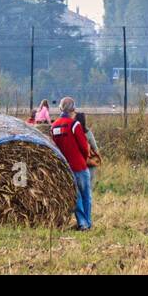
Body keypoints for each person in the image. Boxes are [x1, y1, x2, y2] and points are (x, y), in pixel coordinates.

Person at [49, 96, 92, 230]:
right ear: (73, 109)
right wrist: (84, 158)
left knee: (76, 197)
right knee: (86, 196)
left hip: (65, 168)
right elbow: (84, 147)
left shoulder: (54, 126)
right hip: (79, 166)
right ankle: (87, 223)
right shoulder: (75, 125)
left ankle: (81, 222)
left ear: (60, 108)